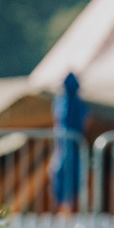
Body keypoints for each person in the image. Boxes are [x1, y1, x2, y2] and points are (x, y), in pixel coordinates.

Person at [51, 72, 89, 213]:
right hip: (64, 147)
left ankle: (70, 211)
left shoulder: (69, 102)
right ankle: (64, 211)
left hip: (70, 147)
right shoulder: (63, 101)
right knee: (63, 178)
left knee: (71, 179)